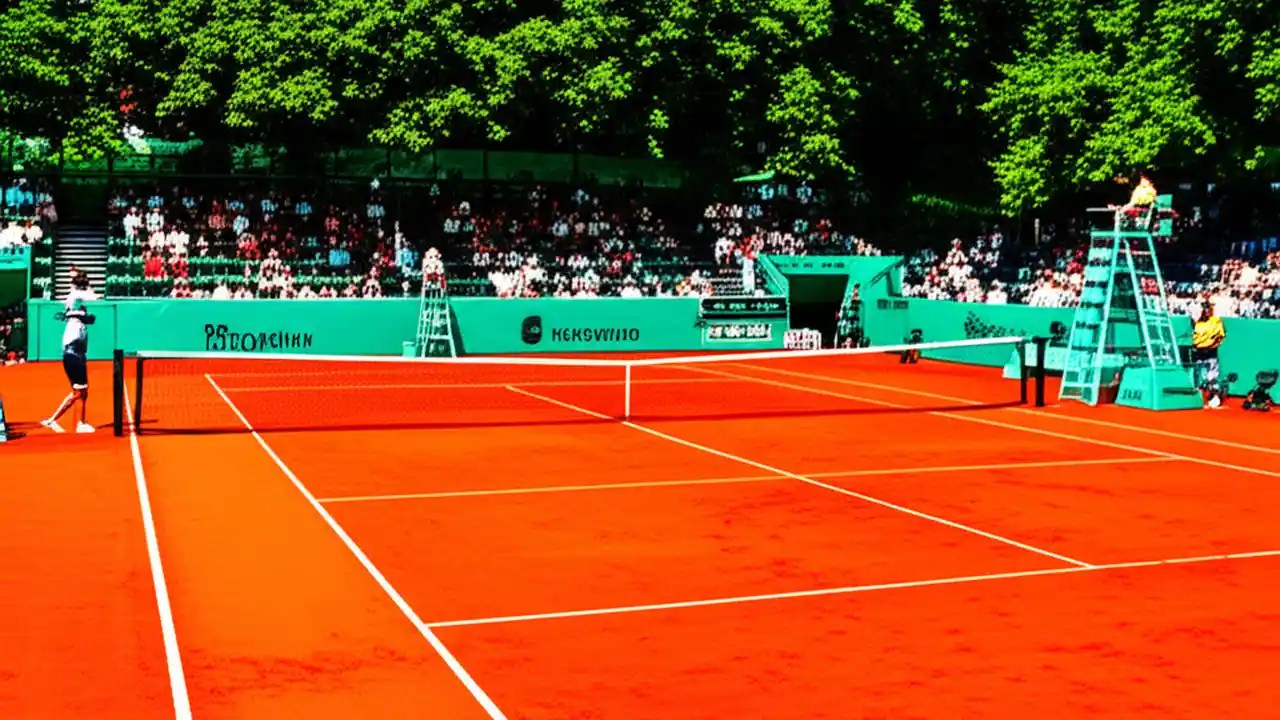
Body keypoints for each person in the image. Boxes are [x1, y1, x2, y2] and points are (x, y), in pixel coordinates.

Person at [42, 268, 98, 433]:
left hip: (79, 353)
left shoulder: (76, 305)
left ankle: (81, 422)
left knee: (83, 391)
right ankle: (52, 420)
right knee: (78, 391)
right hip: (72, 352)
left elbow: (89, 315)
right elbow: (93, 298)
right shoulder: (77, 296)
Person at [1191, 304, 1227, 409]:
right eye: (1204, 310)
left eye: (1208, 310)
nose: (1206, 312)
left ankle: (1215, 397)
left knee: (1213, 377)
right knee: (1200, 378)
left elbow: (1221, 337)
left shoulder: (1216, 321)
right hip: (1198, 352)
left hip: (1210, 352)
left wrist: (1212, 346)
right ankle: (1200, 399)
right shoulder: (1197, 323)